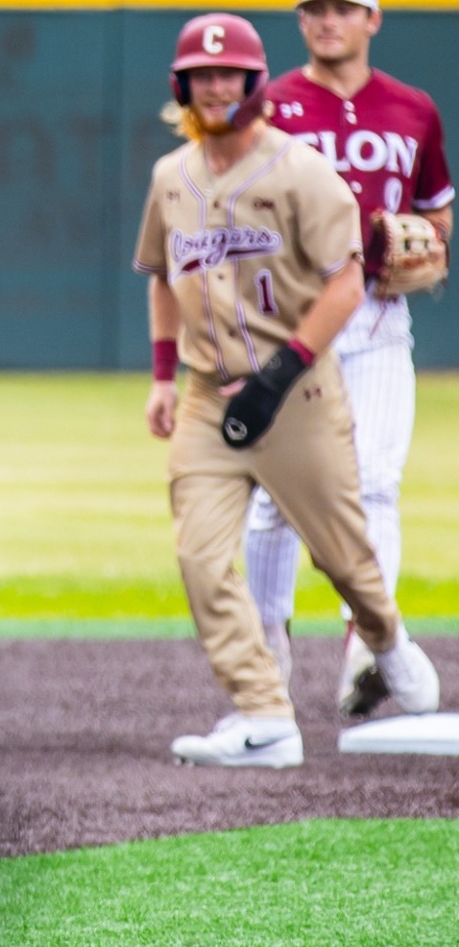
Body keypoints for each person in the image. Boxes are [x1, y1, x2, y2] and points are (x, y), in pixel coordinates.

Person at [133, 13, 440, 768]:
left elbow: (352, 276)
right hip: (211, 393)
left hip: (300, 384)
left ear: (251, 83)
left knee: (347, 552)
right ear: (182, 84)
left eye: (227, 74)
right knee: (204, 556)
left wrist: (287, 365)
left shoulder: (302, 166)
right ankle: (264, 709)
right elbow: (162, 277)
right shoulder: (172, 177)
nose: (213, 86)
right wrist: (165, 377)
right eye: (201, 75)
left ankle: (383, 635)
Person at [242, 0, 452, 716]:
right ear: (301, 20)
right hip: (288, 317)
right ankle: (266, 655)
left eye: (344, 8)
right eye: (314, 8)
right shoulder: (268, 106)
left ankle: (369, 644)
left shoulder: (412, 109)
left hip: (376, 321)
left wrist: (426, 239)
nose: (328, 20)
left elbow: (437, 214)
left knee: (377, 486)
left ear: (374, 19)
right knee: (274, 501)